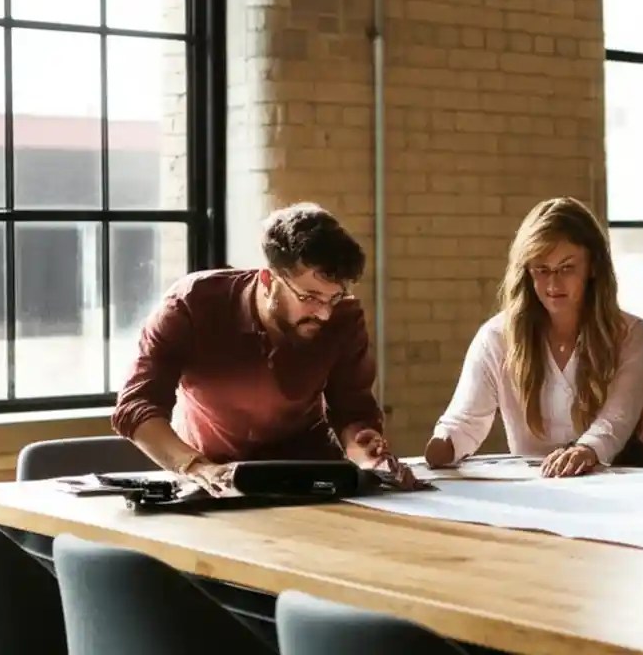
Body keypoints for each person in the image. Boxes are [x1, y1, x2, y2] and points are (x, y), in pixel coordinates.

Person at [112, 202, 416, 495]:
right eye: (310, 296)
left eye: (334, 298)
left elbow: (353, 410)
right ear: (268, 280)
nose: (323, 313)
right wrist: (194, 467)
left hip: (311, 479)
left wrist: (365, 451)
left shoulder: (344, 317)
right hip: (216, 480)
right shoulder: (193, 304)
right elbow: (136, 407)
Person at [424, 197, 643, 477]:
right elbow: (464, 422)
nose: (553, 284)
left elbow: (616, 420)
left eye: (567, 268)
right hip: (535, 490)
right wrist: (438, 448)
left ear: (593, 267)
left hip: (614, 482)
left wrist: (586, 451)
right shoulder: (496, 337)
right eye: (541, 270)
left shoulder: (631, 335)